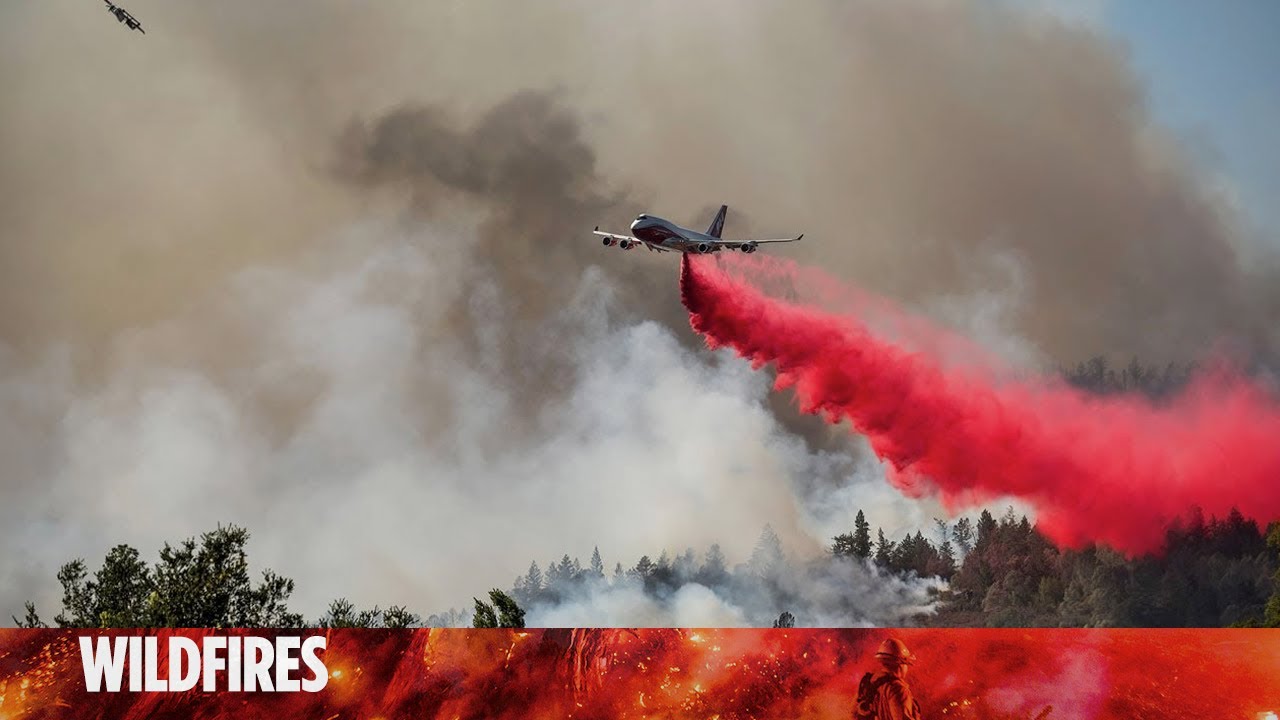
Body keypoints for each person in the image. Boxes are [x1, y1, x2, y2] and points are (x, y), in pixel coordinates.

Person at [854, 637, 923, 720]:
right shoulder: (898, 689)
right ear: (900, 664)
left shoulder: (868, 682)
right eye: (906, 664)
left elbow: (854, 714)